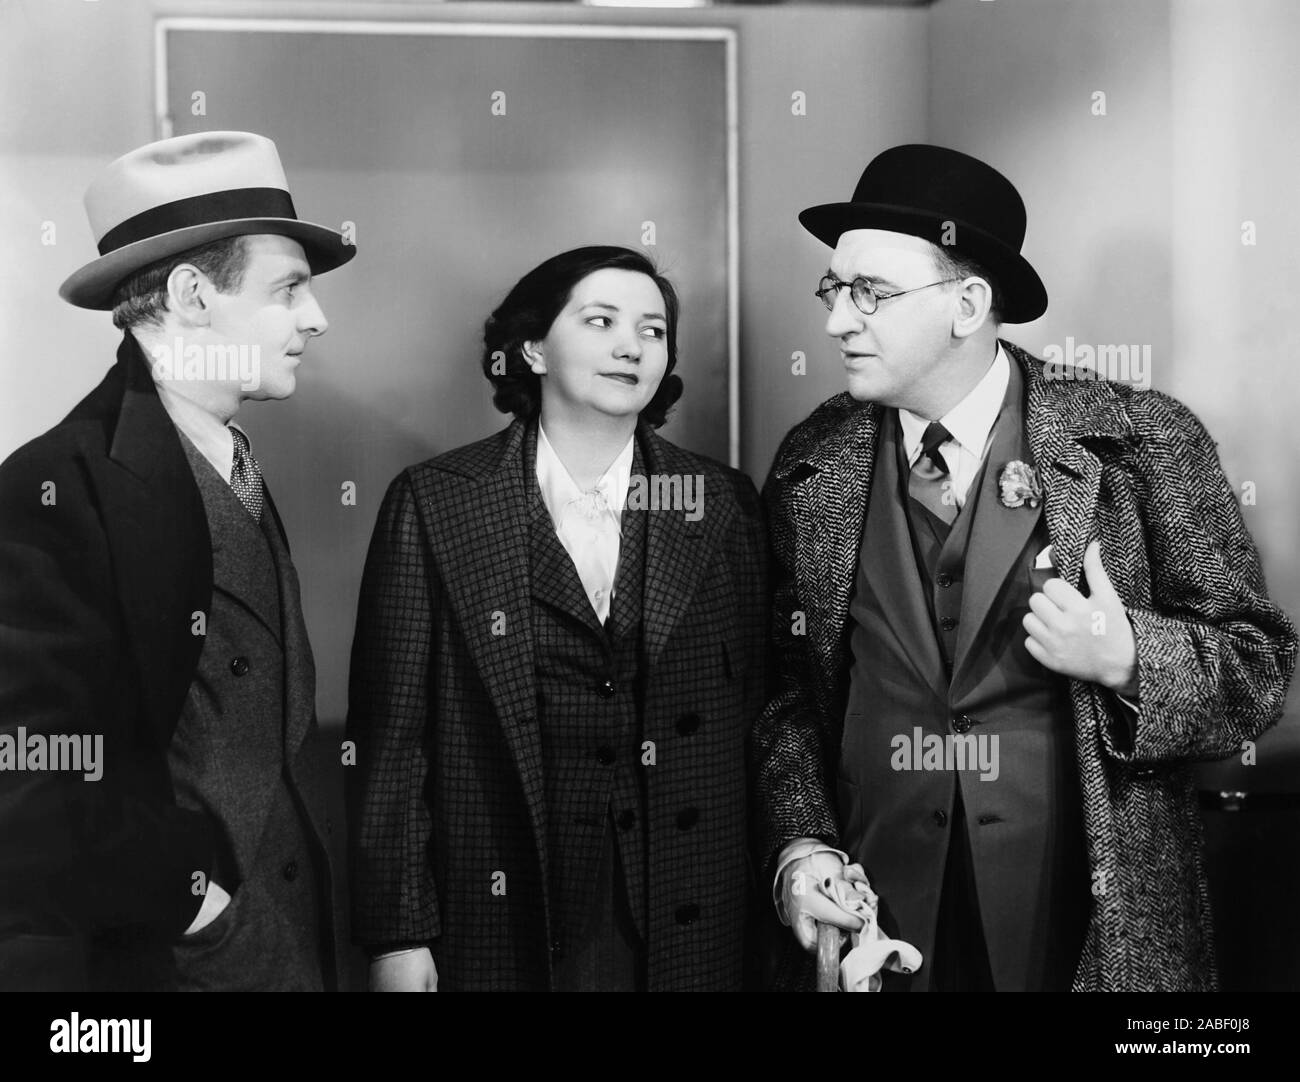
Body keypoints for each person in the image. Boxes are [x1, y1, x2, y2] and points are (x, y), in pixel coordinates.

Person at [754, 143, 1297, 991]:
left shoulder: (1141, 440)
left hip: (1086, 926)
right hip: (879, 917)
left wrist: (1126, 658)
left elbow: (1257, 671)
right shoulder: (810, 462)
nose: (836, 321)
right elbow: (788, 689)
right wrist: (802, 843)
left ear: (969, 303)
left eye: (872, 293)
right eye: (834, 289)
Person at [347, 246, 767, 991]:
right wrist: (396, 936)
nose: (632, 345)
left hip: (690, 916)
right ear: (533, 348)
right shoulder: (439, 502)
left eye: (653, 329)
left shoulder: (720, 502)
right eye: (600, 321)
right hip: (505, 911)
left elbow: (761, 718)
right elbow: (392, 744)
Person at [0, 131, 355, 991]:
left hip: (295, 938)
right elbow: (29, 765)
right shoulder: (55, 486)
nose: (317, 317)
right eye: (290, 289)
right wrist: (201, 910)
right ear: (195, 295)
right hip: (173, 968)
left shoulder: (225, 451)